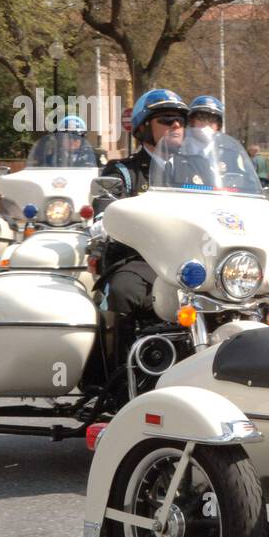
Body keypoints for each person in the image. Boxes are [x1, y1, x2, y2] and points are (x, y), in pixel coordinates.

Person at [97, 89, 190, 350]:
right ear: (144, 127)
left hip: (191, 262)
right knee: (123, 290)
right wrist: (102, 220)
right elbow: (105, 211)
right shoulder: (123, 171)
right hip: (140, 261)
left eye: (180, 121)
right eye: (166, 119)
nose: (175, 125)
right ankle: (119, 380)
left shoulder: (197, 172)